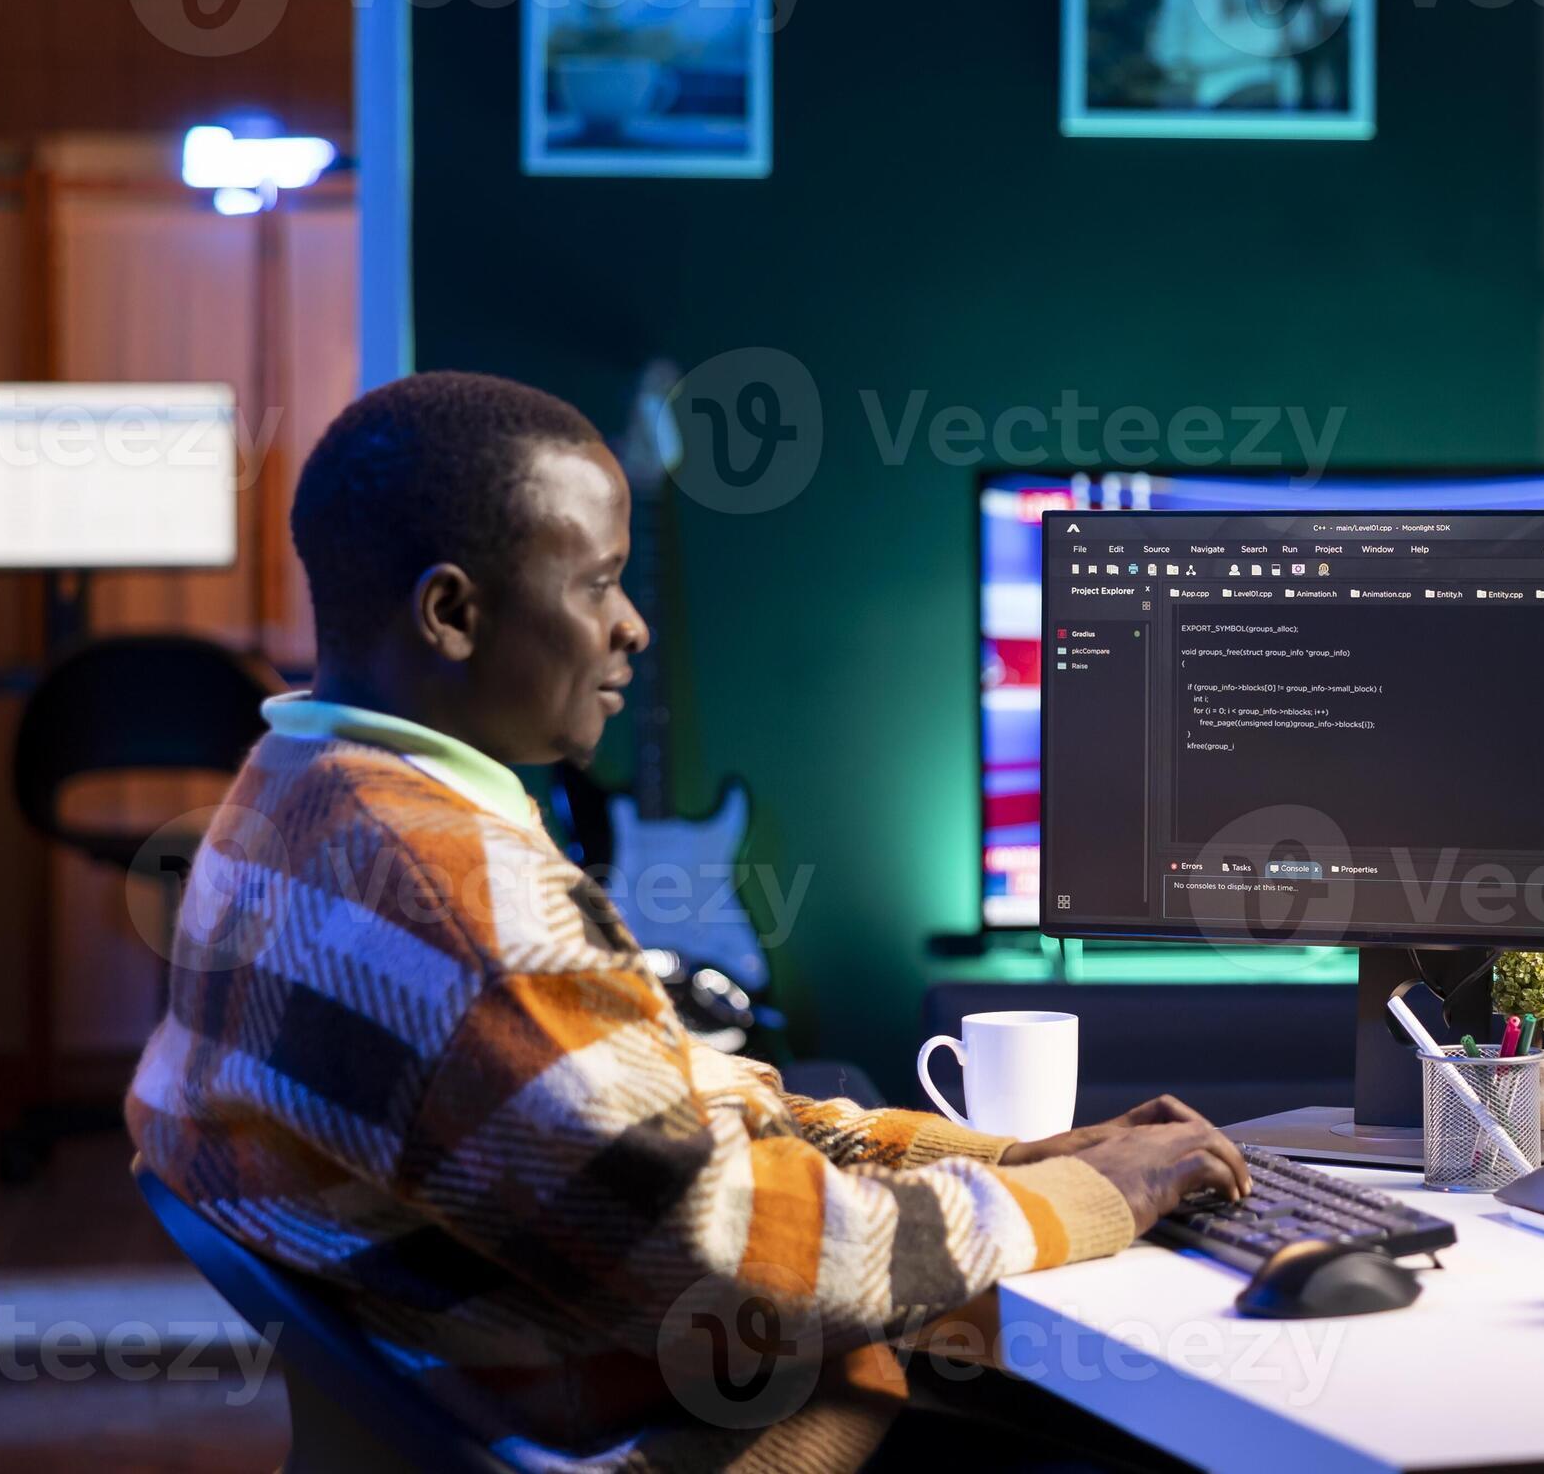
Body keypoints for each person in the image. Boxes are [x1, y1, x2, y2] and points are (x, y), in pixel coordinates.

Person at [129, 371, 1247, 1471]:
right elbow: (750, 1261)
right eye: (597, 583)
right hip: (686, 1440)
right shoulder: (461, 907)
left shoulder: (289, 798)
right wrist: (1093, 1194)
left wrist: (1008, 1155)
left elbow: (667, 1105)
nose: (633, 625)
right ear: (453, 613)